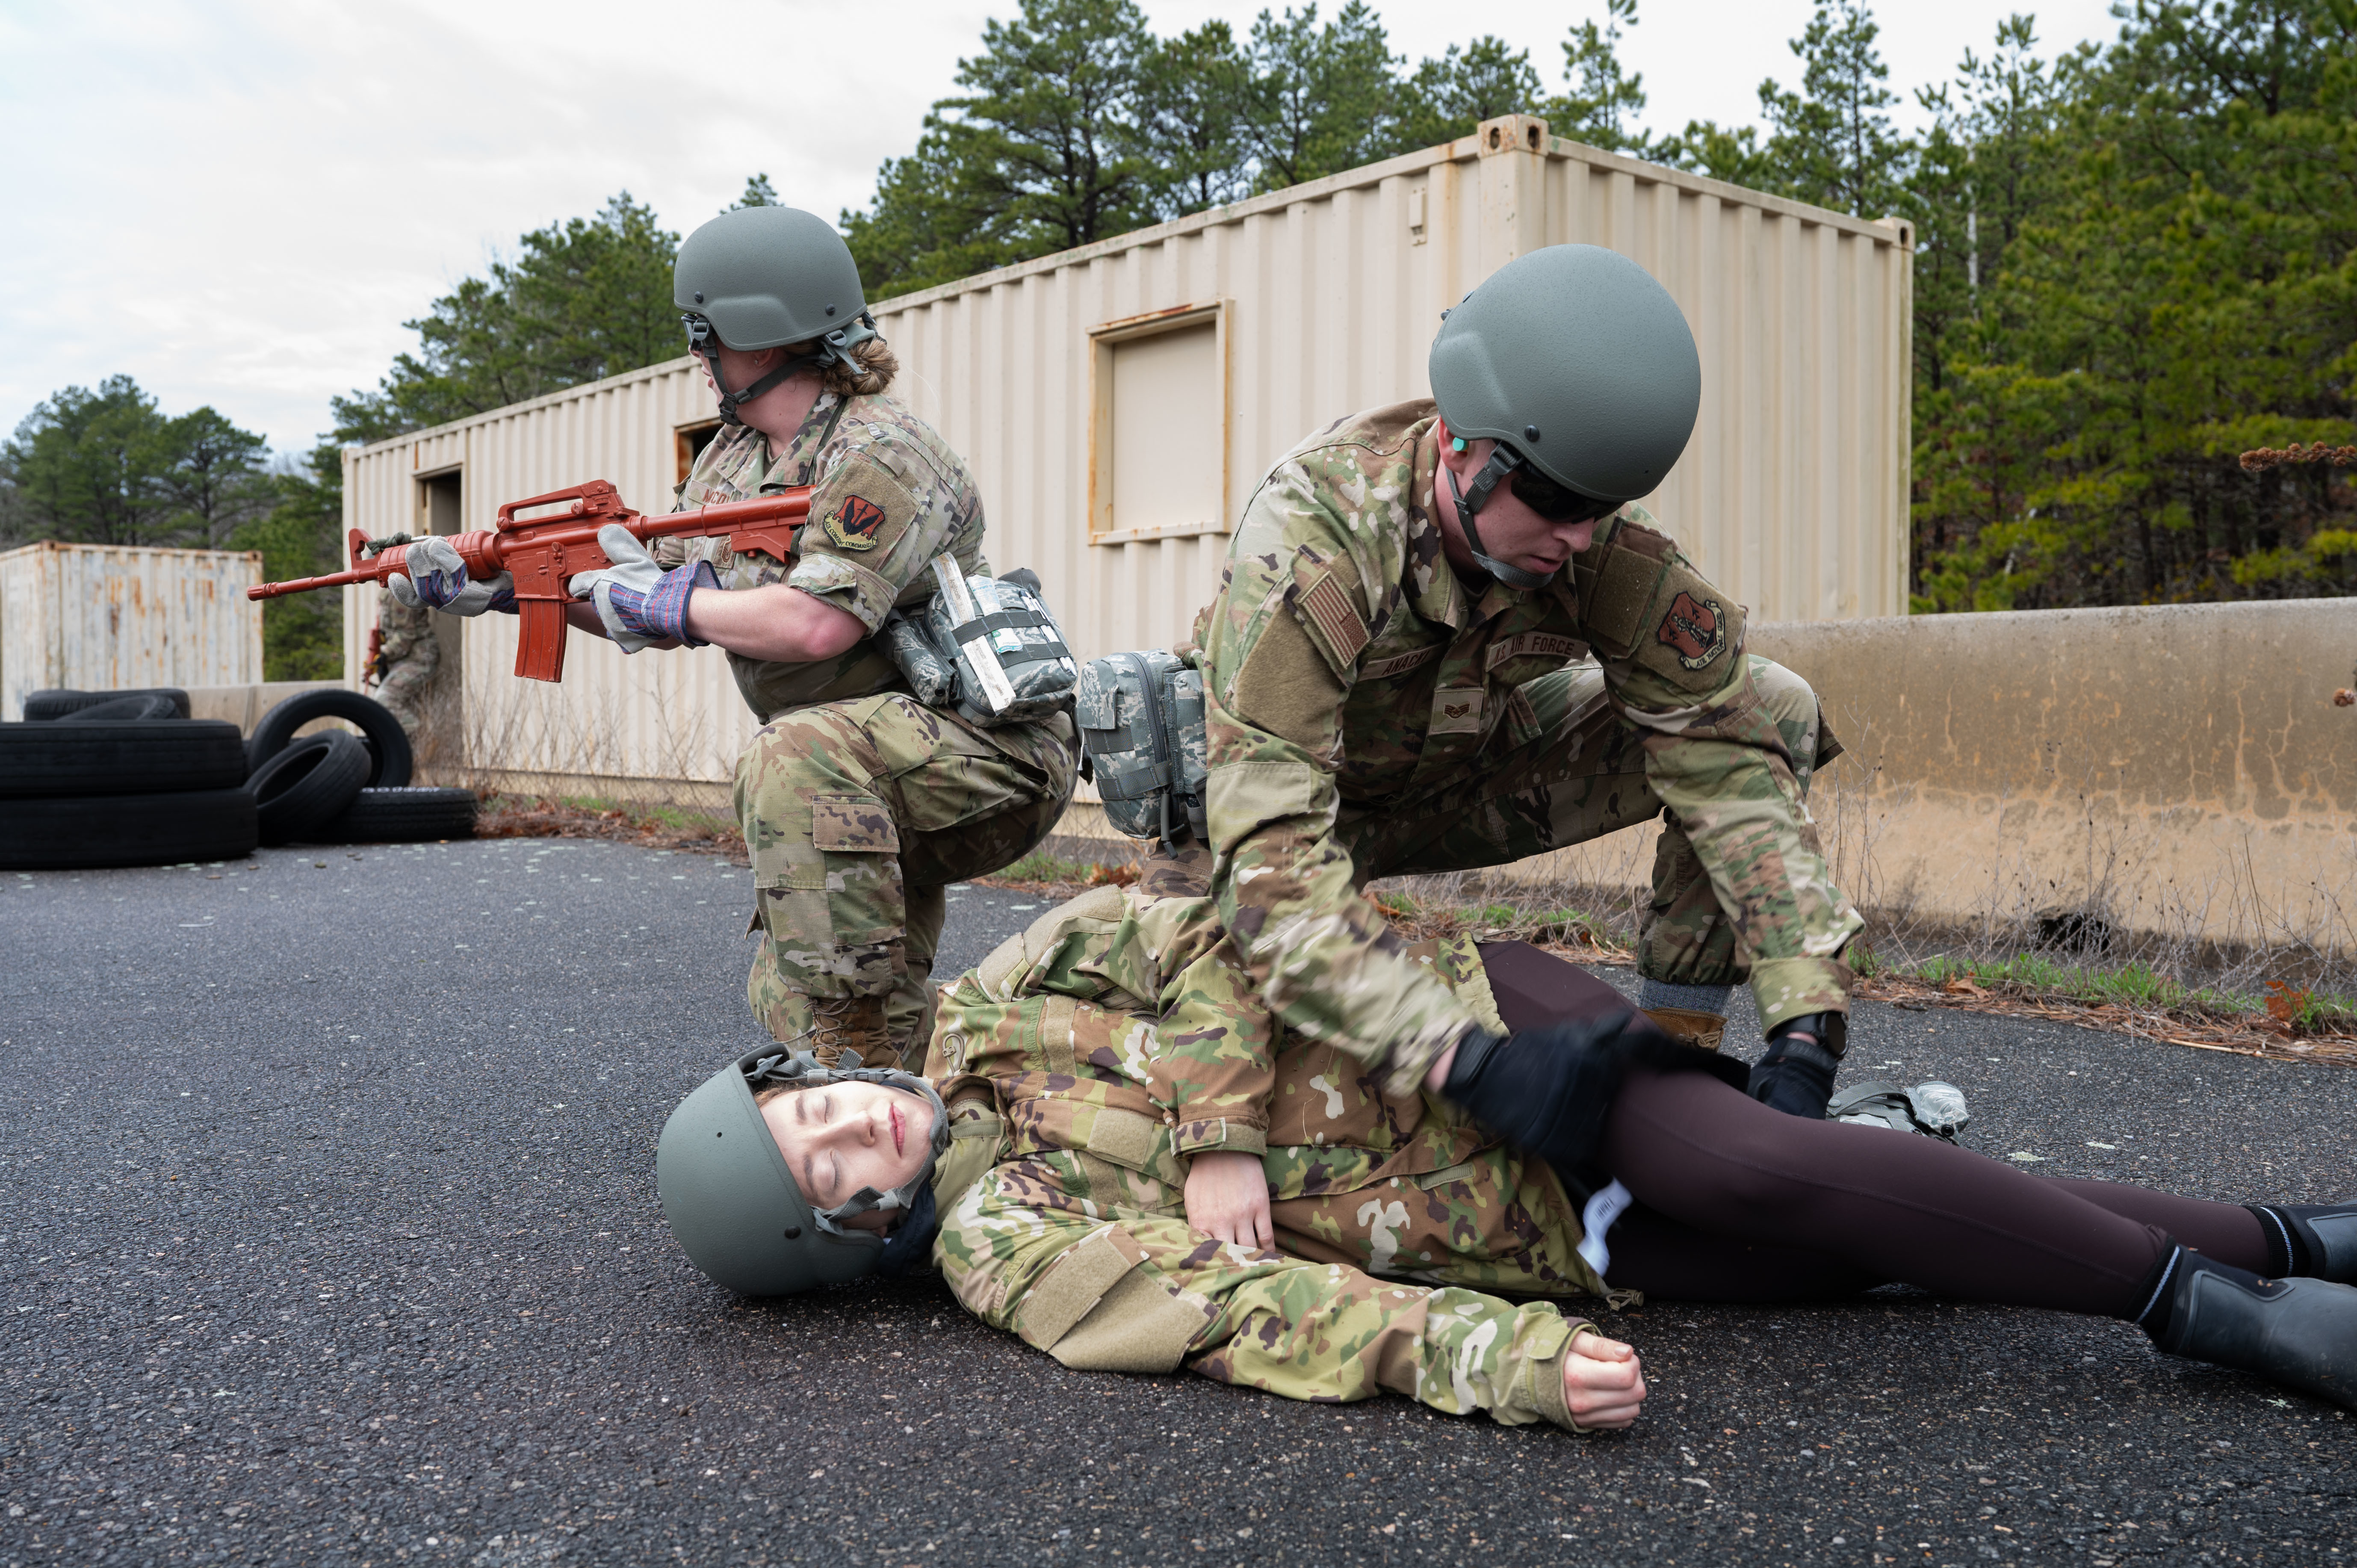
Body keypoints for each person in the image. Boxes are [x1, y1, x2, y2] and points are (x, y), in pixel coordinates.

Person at [656, 853, 2357, 1432]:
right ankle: (2291, 1231)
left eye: (809, 1100)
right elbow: (1241, 1316)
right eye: (824, 1161)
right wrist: (1499, 1355)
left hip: (1479, 1045)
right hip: (1525, 1239)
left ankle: (2227, 1319)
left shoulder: (994, 1002)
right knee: (1862, 1240)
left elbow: (1219, 931)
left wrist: (1214, 1135)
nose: (852, 1120)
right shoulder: (1009, 1253)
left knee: (1750, 1167)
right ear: (850, 1228)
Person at [386, 205, 1077, 1068]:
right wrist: (510, 589)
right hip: (864, 772)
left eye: (702, 332)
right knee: (801, 988)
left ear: (751, 333)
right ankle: (972, 1087)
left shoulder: (883, 452)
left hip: (985, 756)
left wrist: (658, 604)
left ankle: (867, 1079)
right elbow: (648, 594)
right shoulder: (732, 458)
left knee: (794, 790)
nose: (695, 353)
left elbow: (814, 621)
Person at [1190, 242, 1857, 1120]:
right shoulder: (1317, 538)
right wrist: (1463, 1058)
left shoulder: (1589, 537)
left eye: (1598, 509)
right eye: (1553, 502)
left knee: (1770, 704)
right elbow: (1269, 854)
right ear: (1460, 443)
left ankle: (1677, 1048)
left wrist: (1806, 1026)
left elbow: (1725, 751)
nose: (1577, 538)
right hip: (1282, 819)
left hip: (1459, 779)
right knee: (1211, 1058)